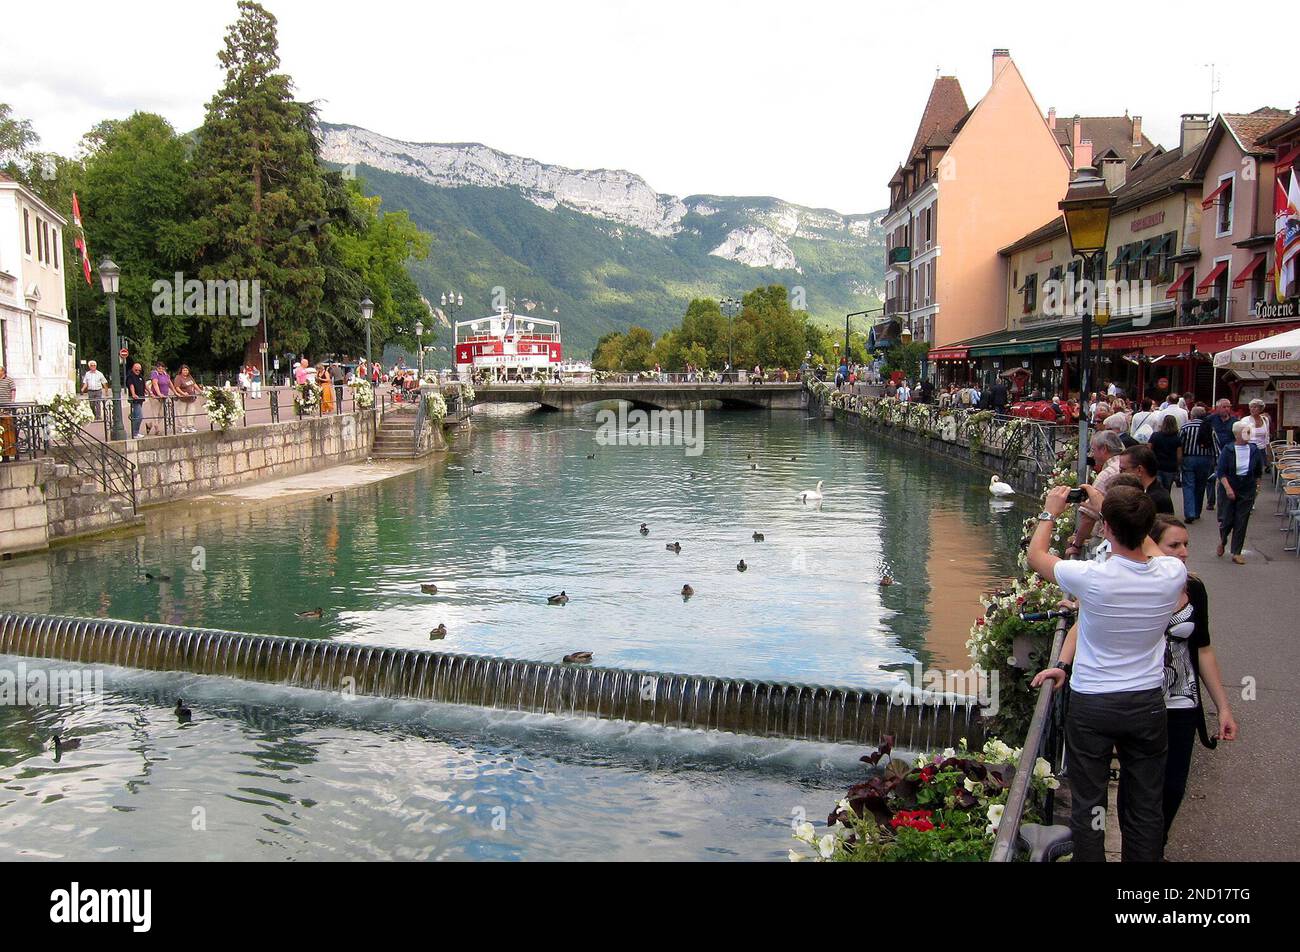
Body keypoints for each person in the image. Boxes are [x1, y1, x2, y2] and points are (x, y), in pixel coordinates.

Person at [1029, 484, 1185, 862]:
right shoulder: (1172, 573)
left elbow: (1036, 556)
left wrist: (1051, 511)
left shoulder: (1091, 577)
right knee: (1146, 803)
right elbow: (1147, 547)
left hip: (1093, 702)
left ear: (1107, 529)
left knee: (1089, 802)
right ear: (1149, 527)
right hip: (1145, 702)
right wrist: (1114, 513)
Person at [1145, 516, 1238, 842]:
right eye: (1175, 545)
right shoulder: (1136, 584)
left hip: (1182, 701)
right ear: (1152, 546)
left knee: (1173, 786)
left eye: (1186, 544)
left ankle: (1156, 845)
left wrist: (1222, 707)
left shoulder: (1193, 587)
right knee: (1140, 784)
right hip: (1141, 701)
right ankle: (1140, 850)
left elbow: (1204, 649)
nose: (1184, 552)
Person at [1066, 429, 1125, 557]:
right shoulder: (1125, 464)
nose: (1092, 455)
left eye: (1093, 450)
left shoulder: (1107, 474)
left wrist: (1077, 544)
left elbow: (1089, 516)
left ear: (1104, 449)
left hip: (1107, 537)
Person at [1215, 418, 1264, 564]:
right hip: (1229, 486)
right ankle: (1223, 540)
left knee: (1241, 520)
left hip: (1247, 487)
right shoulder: (1228, 449)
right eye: (1245, 432)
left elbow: (1258, 471)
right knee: (1226, 520)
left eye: (1249, 432)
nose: (1248, 435)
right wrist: (1228, 489)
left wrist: (1257, 488)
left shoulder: (1254, 450)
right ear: (1236, 434)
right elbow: (1221, 472)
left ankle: (1236, 552)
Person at [1178, 407, 1217, 523]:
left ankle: (1189, 512)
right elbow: (1215, 445)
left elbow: (1180, 443)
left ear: (1192, 415)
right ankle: (1197, 511)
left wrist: (1179, 460)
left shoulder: (1185, 427)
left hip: (1189, 458)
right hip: (1205, 459)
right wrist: (1217, 460)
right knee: (1200, 486)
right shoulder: (1209, 428)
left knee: (1189, 485)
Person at [1119, 443, 1175, 515]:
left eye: (1123, 470)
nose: (1120, 474)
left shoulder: (1155, 499)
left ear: (1139, 470)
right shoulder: (1146, 492)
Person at [1148, 415, 1182, 491]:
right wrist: (1177, 466)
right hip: (1170, 467)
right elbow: (1179, 456)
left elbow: (1149, 450)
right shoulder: (1177, 439)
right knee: (1167, 489)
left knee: (1156, 488)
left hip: (1157, 466)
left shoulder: (1155, 436)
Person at [172, 365, 202, 433]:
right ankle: (181, 427)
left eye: (187, 370)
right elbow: (177, 387)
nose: (186, 371)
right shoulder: (178, 377)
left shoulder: (189, 377)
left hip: (191, 398)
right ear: (181, 371)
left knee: (192, 412)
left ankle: (190, 426)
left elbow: (194, 384)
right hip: (183, 399)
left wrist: (200, 391)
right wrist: (183, 393)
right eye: (184, 370)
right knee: (181, 413)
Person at [1243, 398, 1272, 467]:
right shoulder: (1245, 421)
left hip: (1261, 450)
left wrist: (1268, 452)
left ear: (1260, 409)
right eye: (1251, 407)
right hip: (1249, 450)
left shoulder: (1265, 419)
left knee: (1260, 473)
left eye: (1255, 407)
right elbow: (1244, 438)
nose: (1252, 409)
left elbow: (1267, 436)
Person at [146, 361, 172, 435]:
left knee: (162, 414)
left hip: (164, 397)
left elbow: (170, 383)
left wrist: (175, 391)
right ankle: (157, 429)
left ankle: (150, 424)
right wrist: (159, 394)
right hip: (155, 397)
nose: (160, 369)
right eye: (159, 368)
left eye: (162, 368)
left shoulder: (166, 374)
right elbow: (155, 384)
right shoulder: (154, 374)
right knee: (155, 413)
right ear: (156, 368)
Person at [124, 361, 148, 439]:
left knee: (136, 415)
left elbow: (144, 385)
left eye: (139, 370)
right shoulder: (130, 376)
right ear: (133, 369)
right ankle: (135, 433)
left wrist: (149, 392)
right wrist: (133, 394)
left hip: (141, 399)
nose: (138, 371)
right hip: (135, 399)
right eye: (136, 370)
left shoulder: (140, 376)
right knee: (139, 416)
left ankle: (135, 431)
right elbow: (131, 385)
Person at [0, 365, 16, 461]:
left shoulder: (9, 380)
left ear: (3, 371)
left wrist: (12, 401)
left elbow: (13, 390)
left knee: (7, 427)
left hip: (6, 407)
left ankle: (8, 452)